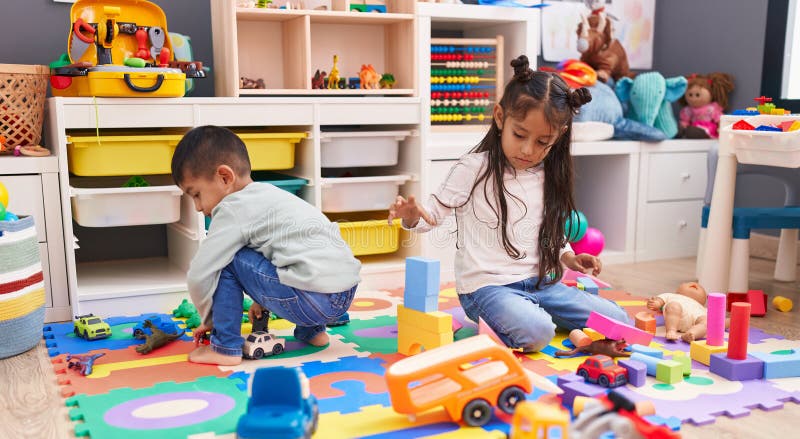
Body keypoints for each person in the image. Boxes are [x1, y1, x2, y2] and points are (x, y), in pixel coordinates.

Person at [389, 55, 630, 353]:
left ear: (559, 136)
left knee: (620, 321)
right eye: (520, 135)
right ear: (501, 117)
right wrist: (412, 216)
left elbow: (549, 231)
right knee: (538, 332)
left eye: (543, 142)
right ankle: (531, 318)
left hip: (542, 284)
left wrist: (568, 258)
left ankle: (534, 314)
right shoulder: (473, 168)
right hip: (487, 289)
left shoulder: (547, 175)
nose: (528, 150)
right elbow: (431, 217)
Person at [171, 126, 361, 365]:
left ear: (224, 178)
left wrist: (209, 318)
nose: (198, 207)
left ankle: (224, 347)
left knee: (224, 260)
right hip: (345, 294)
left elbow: (200, 272)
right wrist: (262, 299)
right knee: (299, 257)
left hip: (310, 299)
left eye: (196, 194)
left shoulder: (232, 207)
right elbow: (284, 253)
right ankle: (312, 332)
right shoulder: (272, 196)